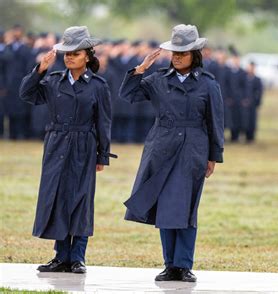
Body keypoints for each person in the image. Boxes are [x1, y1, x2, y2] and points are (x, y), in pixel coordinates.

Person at [119, 24, 224, 282]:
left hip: (193, 150)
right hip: (161, 149)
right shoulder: (157, 80)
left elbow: (215, 122)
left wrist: (213, 156)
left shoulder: (208, 85)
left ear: (195, 54)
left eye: (183, 52)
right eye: (174, 52)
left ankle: (184, 265)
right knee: (164, 208)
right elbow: (128, 94)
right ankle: (170, 266)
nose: (177, 57)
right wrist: (140, 69)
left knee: (186, 208)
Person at [19, 26, 115, 274]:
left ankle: (77, 257)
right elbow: (27, 94)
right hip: (56, 145)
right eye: (66, 53)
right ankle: (61, 257)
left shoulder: (98, 85)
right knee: (58, 198)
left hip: (84, 145)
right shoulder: (52, 80)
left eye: (76, 53)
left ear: (88, 56)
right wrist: (40, 69)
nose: (70, 57)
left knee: (81, 200)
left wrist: (102, 155)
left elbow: (103, 122)